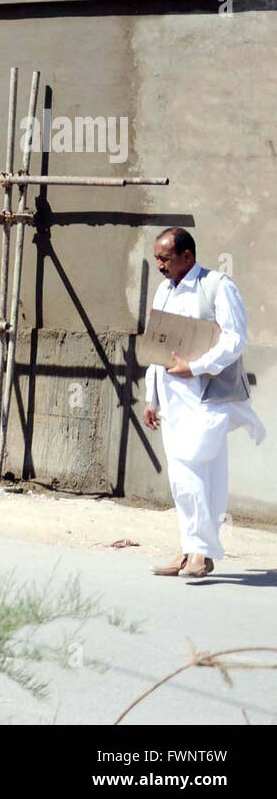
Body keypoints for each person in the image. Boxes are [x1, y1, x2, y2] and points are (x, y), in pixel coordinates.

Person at [142, 227, 265, 578]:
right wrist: (151, 396)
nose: (160, 266)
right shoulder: (164, 290)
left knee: (192, 466)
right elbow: (156, 348)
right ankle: (193, 551)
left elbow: (235, 340)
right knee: (190, 474)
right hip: (171, 398)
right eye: (157, 259)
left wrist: (194, 366)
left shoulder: (217, 286)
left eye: (165, 259)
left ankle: (198, 550)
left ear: (187, 257)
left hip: (207, 395)